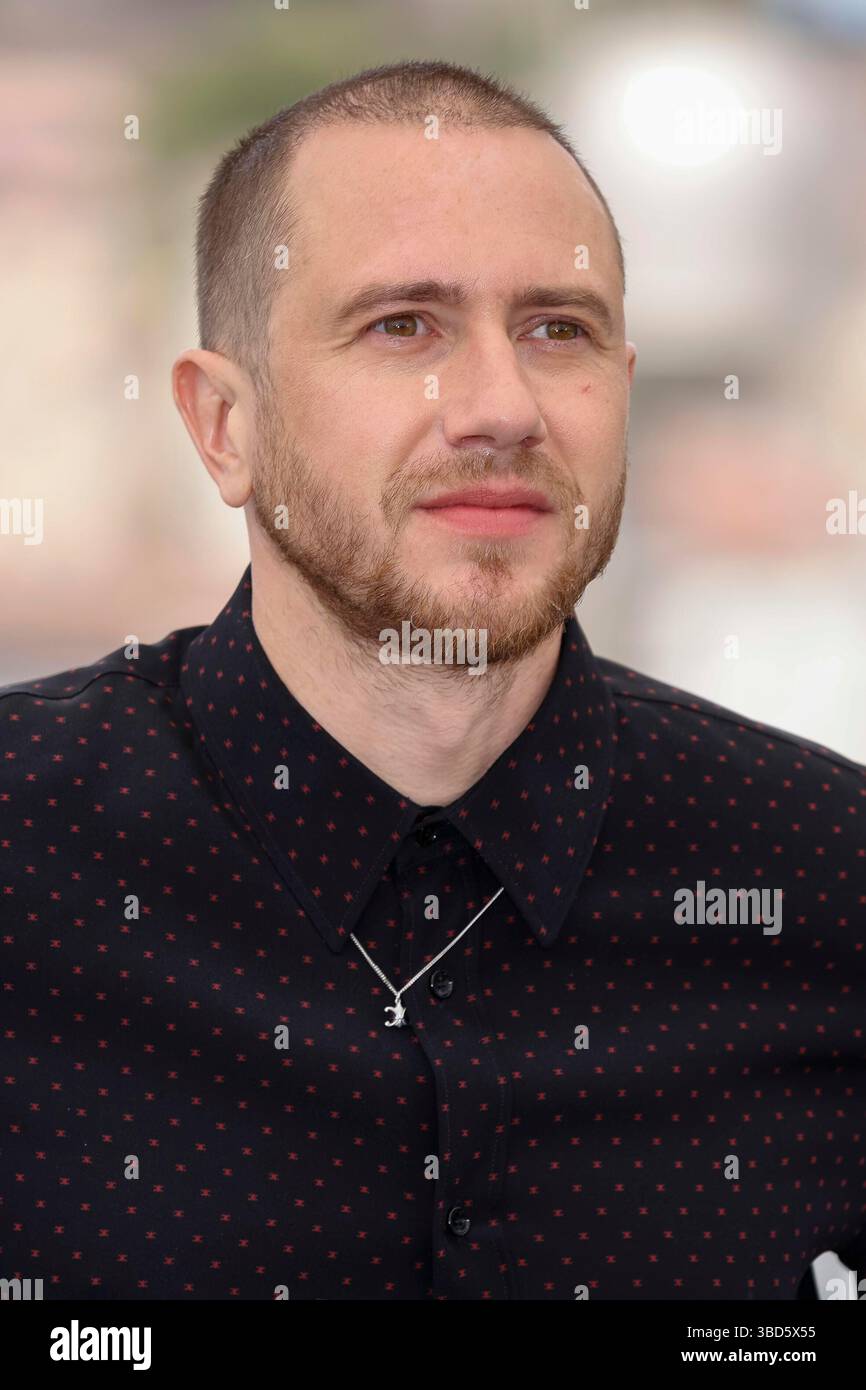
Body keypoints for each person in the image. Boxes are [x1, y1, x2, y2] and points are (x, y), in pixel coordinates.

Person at [1, 60, 863, 1302]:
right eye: (401, 324)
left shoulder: (824, 884)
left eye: (556, 330)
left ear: (620, 393)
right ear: (221, 425)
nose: (499, 406)